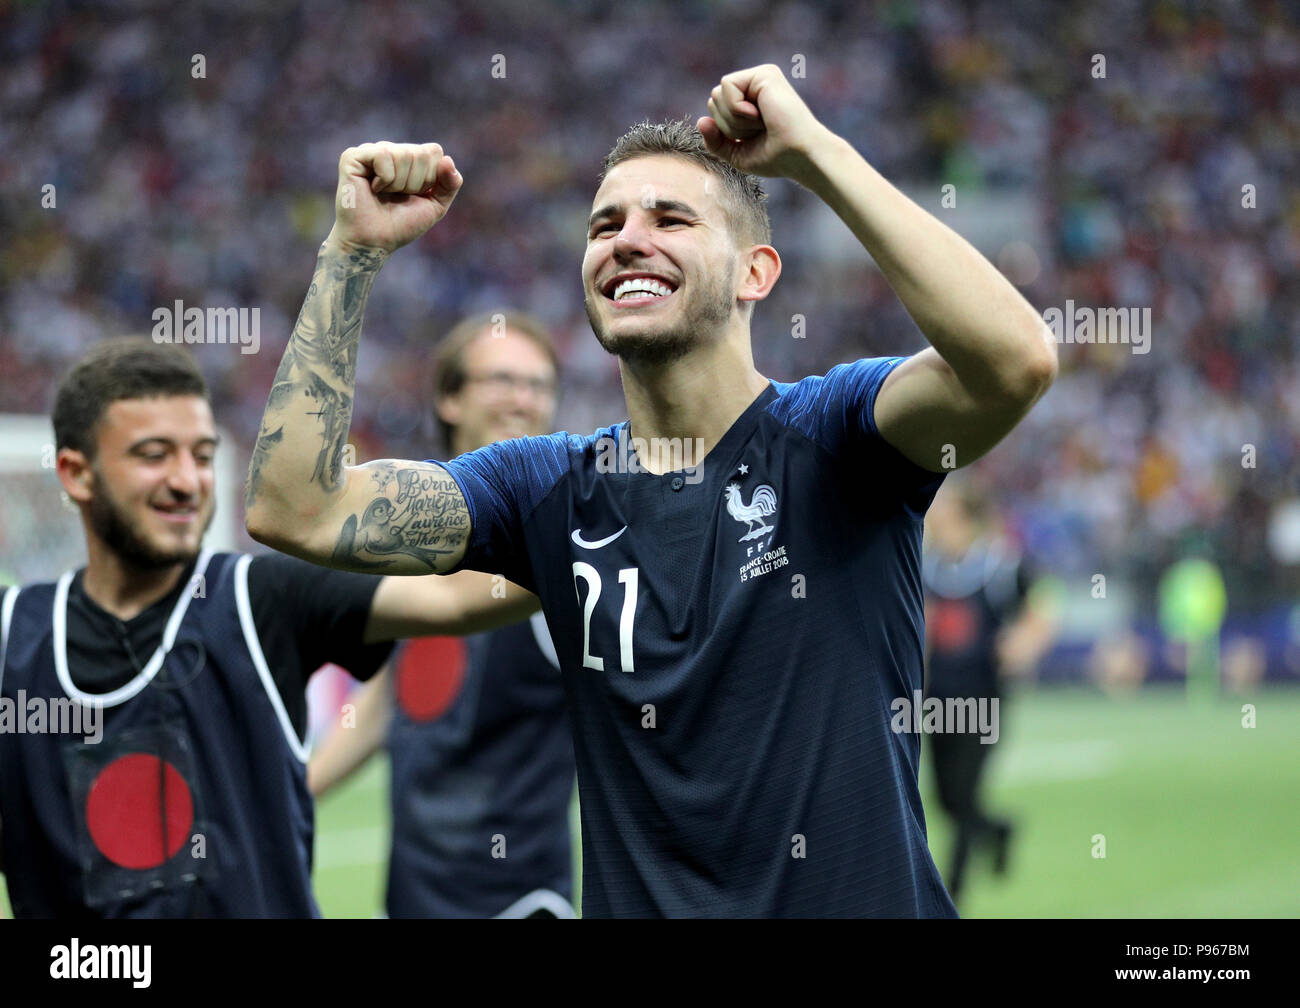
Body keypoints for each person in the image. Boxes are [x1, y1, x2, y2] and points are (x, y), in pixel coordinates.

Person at [245, 64, 1058, 917]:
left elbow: (1017, 361)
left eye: (670, 218)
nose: (627, 239)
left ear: (756, 272)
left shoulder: (838, 436)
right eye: (605, 225)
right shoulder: (546, 489)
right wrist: (352, 251)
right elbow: (295, 507)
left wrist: (816, 153)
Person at [0, 338, 537, 918]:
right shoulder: (12, 639)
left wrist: (593, 522)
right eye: (154, 454)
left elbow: (456, 601)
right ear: (76, 474)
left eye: (203, 456)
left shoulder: (264, 597)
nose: (188, 481)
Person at [309, 311, 577, 918]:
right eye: (504, 379)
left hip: (520, 901)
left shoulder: (564, 541)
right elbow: (383, 706)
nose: (524, 398)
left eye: (539, 385)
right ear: (449, 398)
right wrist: (290, 797)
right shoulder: (404, 549)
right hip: (410, 898)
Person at [922, 479, 1044, 904]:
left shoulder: (999, 566)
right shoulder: (927, 566)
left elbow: (1039, 609)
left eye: (946, 512)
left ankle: (951, 895)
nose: (936, 519)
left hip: (983, 701)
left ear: (967, 519)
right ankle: (1000, 830)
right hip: (937, 701)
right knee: (946, 801)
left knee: (966, 794)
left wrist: (1024, 642)